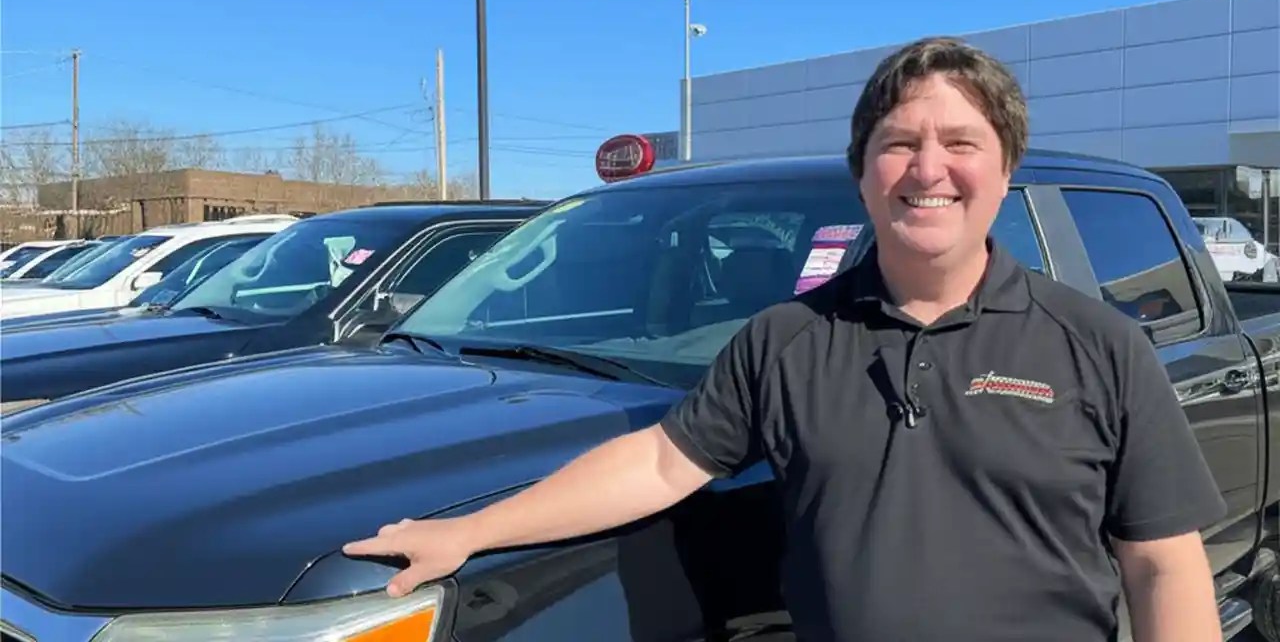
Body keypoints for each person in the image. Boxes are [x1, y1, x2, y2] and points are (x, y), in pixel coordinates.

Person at [343, 36, 1228, 642]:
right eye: (897, 144)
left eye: (961, 141)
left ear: (1004, 168)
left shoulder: (1097, 344)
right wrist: (472, 530)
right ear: (863, 173)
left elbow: (1160, 566)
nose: (928, 169)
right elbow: (657, 462)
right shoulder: (788, 340)